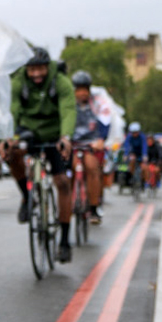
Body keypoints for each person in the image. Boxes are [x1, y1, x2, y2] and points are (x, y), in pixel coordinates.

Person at [4, 48, 76, 264]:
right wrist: (9, 137)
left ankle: (64, 240)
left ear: (47, 66)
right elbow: (13, 109)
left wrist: (66, 136)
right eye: (32, 69)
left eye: (40, 69)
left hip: (54, 136)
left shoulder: (60, 81)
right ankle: (27, 198)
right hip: (29, 133)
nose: (36, 74)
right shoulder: (18, 82)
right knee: (12, 154)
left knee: (63, 183)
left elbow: (68, 109)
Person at [70, 70, 105, 224]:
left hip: (91, 144)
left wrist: (101, 139)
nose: (82, 93)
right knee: (68, 169)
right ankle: (69, 202)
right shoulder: (68, 103)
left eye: (85, 89)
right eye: (79, 89)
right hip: (71, 143)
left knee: (92, 167)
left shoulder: (97, 102)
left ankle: (94, 207)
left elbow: (106, 120)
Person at [122, 121, 148, 191]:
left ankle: (142, 182)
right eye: (133, 132)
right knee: (131, 162)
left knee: (143, 168)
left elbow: (144, 146)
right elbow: (127, 145)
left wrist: (144, 155)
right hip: (133, 153)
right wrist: (126, 154)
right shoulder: (129, 137)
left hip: (140, 153)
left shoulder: (142, 137)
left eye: (136, 132)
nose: (135, 134)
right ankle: (132, 177)